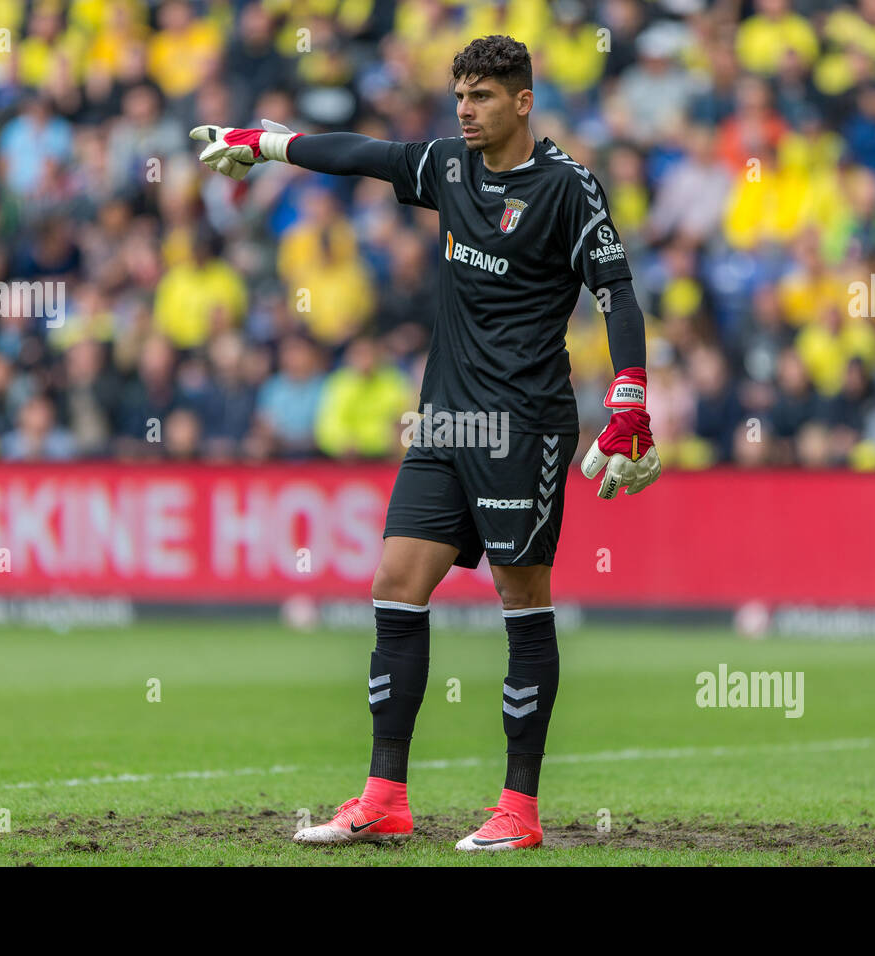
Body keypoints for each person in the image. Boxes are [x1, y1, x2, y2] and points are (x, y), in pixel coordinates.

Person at [192, 35, 660, 852]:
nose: (465, 112)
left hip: (523, 425)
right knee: (394, 585)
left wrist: (629, 398)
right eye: (459, 97)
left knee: (522, 598)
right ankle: (384, 797)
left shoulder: (568, 189)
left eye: (481, 97)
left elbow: (615, 292)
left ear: (521, 101)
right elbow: (364, 155)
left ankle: (519, 810)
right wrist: (264, 143)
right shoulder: (447, 166)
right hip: (443, 420)